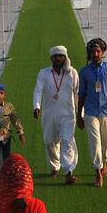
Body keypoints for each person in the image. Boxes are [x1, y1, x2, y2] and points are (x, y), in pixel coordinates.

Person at [76, 37, 107, 188]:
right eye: (93, 52)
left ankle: (104, 161)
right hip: (90, 112)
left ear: (103, 53)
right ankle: (97, 171)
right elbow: (81, 94)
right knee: (95, 143)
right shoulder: (84, 72)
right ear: (89, 54)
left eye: (98, 51)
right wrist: (79, 115)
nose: (95, 54)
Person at [32, 45, 79, 183]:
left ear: (65, 58)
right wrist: (36, 106)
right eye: (55, 56)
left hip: (68, 115)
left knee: (67, 142)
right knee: (50, 142)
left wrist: (80, 112)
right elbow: (37, 91)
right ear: (51, 58)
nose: (58, 58)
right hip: (49, 114)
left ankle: (68, 171)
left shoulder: (72, 73)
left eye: (61, 56)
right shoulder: (44, 73)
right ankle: (55, 166)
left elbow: (78, 92)